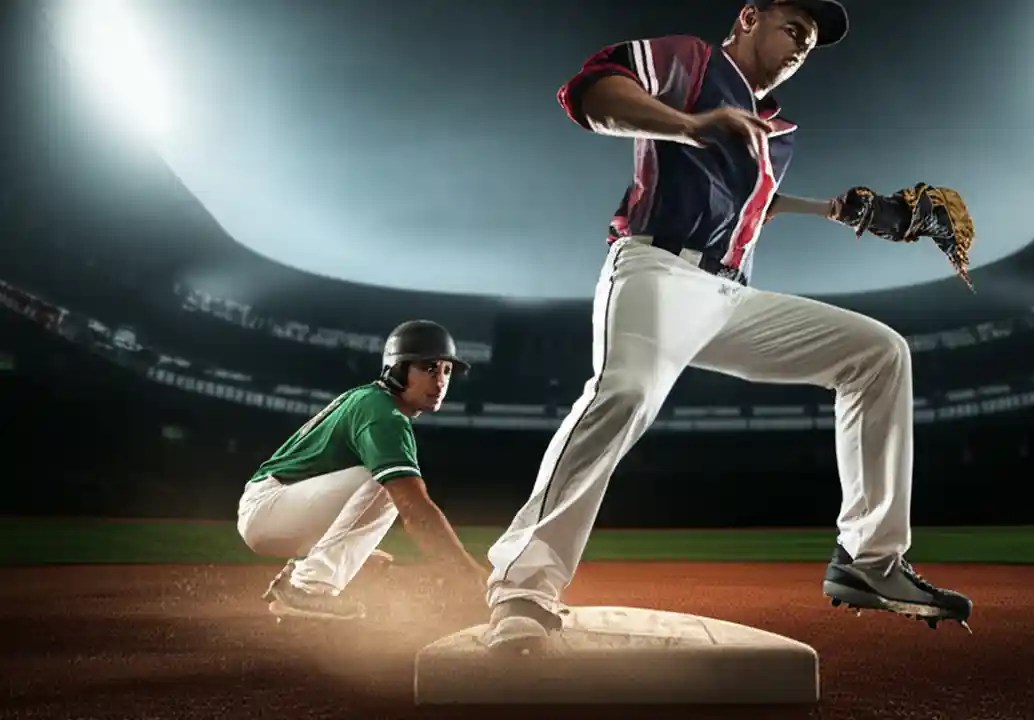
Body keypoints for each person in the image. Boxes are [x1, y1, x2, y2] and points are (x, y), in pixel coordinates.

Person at [482, 0, 975, 651]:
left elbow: (753, 206)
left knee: (879, 353)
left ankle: (869, 560)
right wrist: (687, 124)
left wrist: (856, 211)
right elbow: (591, 94)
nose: (802, 44)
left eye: (811, 41)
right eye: (793, 27)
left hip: (729, 295)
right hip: (654, 269)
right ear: (749, 17)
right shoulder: (694, 60)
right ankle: (523, 586)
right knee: (623, 395)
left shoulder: (780, 131)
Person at [237, 320, 488, 620]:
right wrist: (464, 570)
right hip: (268, 508)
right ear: (397, 369)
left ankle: (312, 573)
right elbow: (415, 508)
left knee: (389, 481)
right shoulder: (383, 413)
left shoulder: (372, 401)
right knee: (391, 483)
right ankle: (307, 588)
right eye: (429, 368)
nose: (440, 381)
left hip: (281, 507)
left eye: (447, 371)